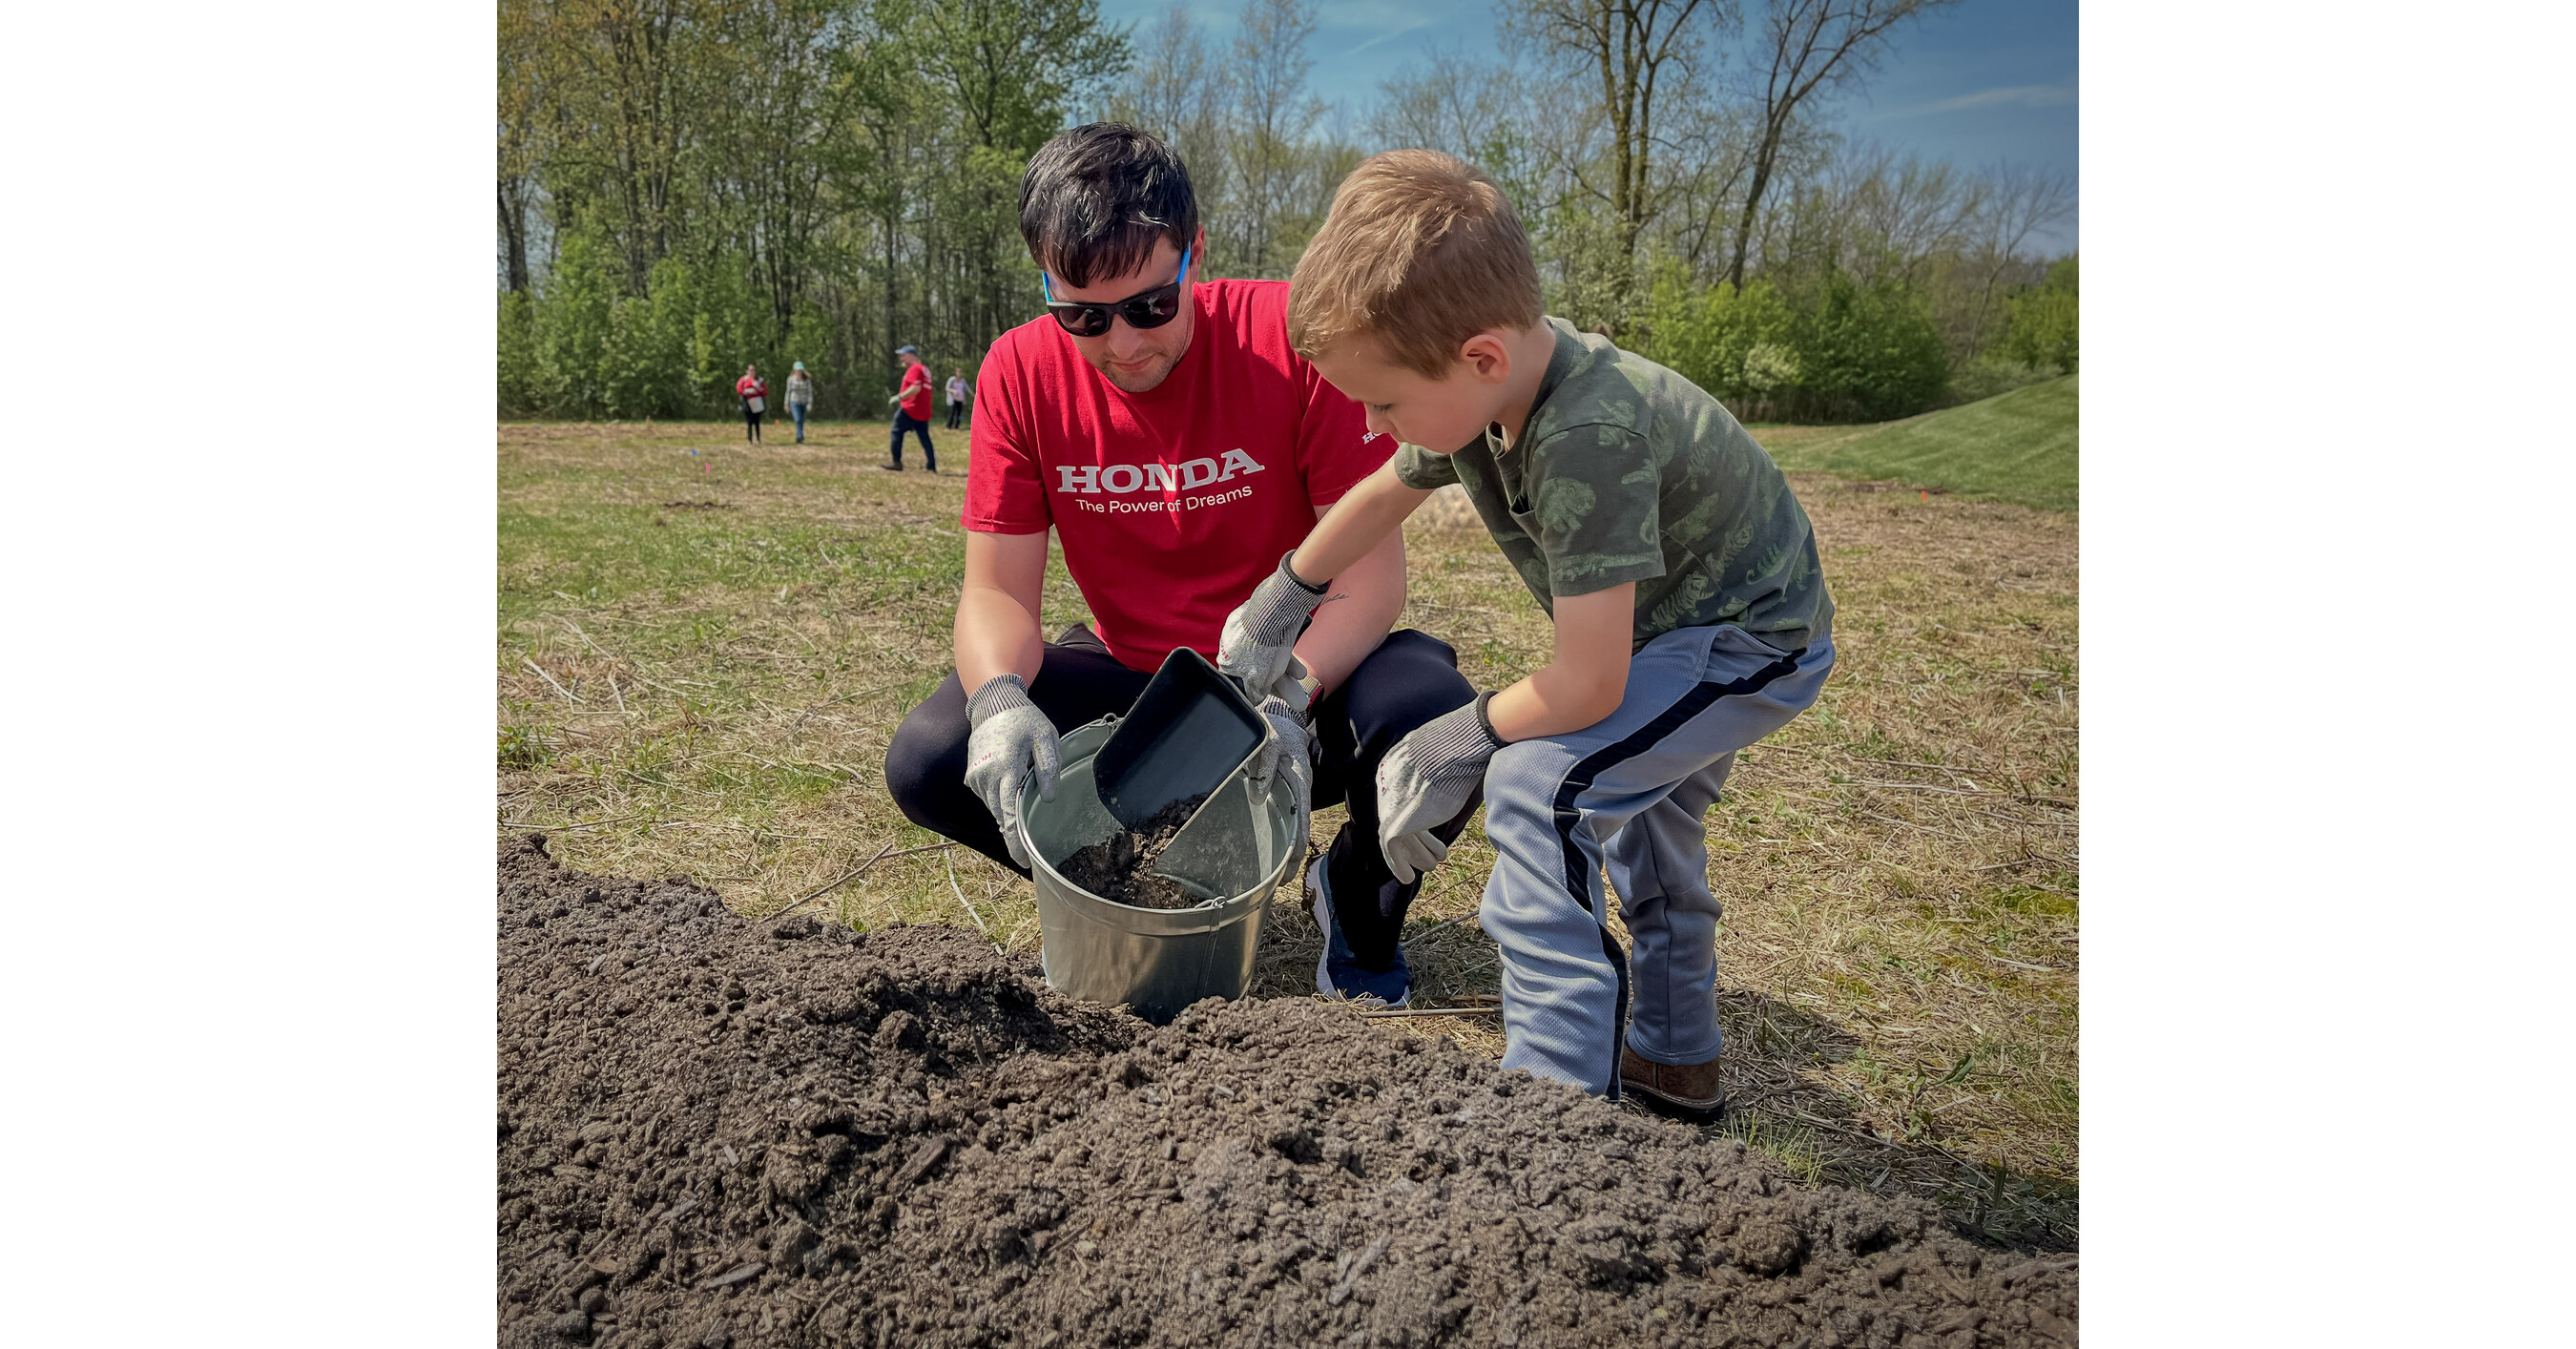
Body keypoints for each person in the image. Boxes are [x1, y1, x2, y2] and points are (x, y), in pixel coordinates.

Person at [1220, 149, 1837, 1113]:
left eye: (1383, 401)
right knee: (1644, 823)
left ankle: (1553, 1103)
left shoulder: (1587, 433)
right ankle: (1676, 1068)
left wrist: (1458, 736)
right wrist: (1283, 597)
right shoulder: (1476, 394)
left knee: (1537, 783)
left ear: (1482, 359)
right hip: (1674, 637)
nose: (1379, 427)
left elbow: (1586, 684)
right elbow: (1382, 493)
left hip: (1747, 640)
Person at [883, 123, 1479, 1007]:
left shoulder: (1294, 340)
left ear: (1194, 253)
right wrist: (1001, 700)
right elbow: (995, 591)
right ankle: (1120, 891)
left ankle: (1354, 900)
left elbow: (1369, 580)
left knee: (1432, 718)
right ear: (1045, 285)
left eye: (1151, 306)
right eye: (1083, 316)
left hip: (1287, 681)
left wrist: (1291, 692)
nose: (1122, 344)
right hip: (1141, 695)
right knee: (934, 754)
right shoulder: (1017, 371)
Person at [886, 345, 937, 471]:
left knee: (896, 431)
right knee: (925, 438)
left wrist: (899, 396)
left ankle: (897, 463)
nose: (901, 358)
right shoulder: (924, 369)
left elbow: (916, 388)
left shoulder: (914, 369)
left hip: (911, 409)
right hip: (923, 411)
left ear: (911, 355)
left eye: (903, 355)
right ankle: (931, 466)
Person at [736, 364, 768, 444]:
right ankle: (750, 439)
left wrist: (759, 389)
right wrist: (746, 391)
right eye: (750, 370)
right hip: (747, 402)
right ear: (747, 371)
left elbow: (765, 391)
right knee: (749, 422)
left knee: (757, 421)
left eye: (753, 370)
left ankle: (758, 438)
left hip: (757, 402)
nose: (752, 372)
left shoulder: (759, 380)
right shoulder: (743, 380)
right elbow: (739, 389)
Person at [786, 362, 815, 443]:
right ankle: (799, 437)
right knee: (797, 419)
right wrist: (786, 403)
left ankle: (801, 437)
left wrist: (810, 403)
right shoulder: (790, 379)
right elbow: (788, 391)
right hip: (794, 402)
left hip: (804, 402)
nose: (799, 372)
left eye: (800, 370)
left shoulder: (807, 380)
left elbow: (809, 392)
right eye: (797, 370)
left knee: (802, 420)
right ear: (794, 370)